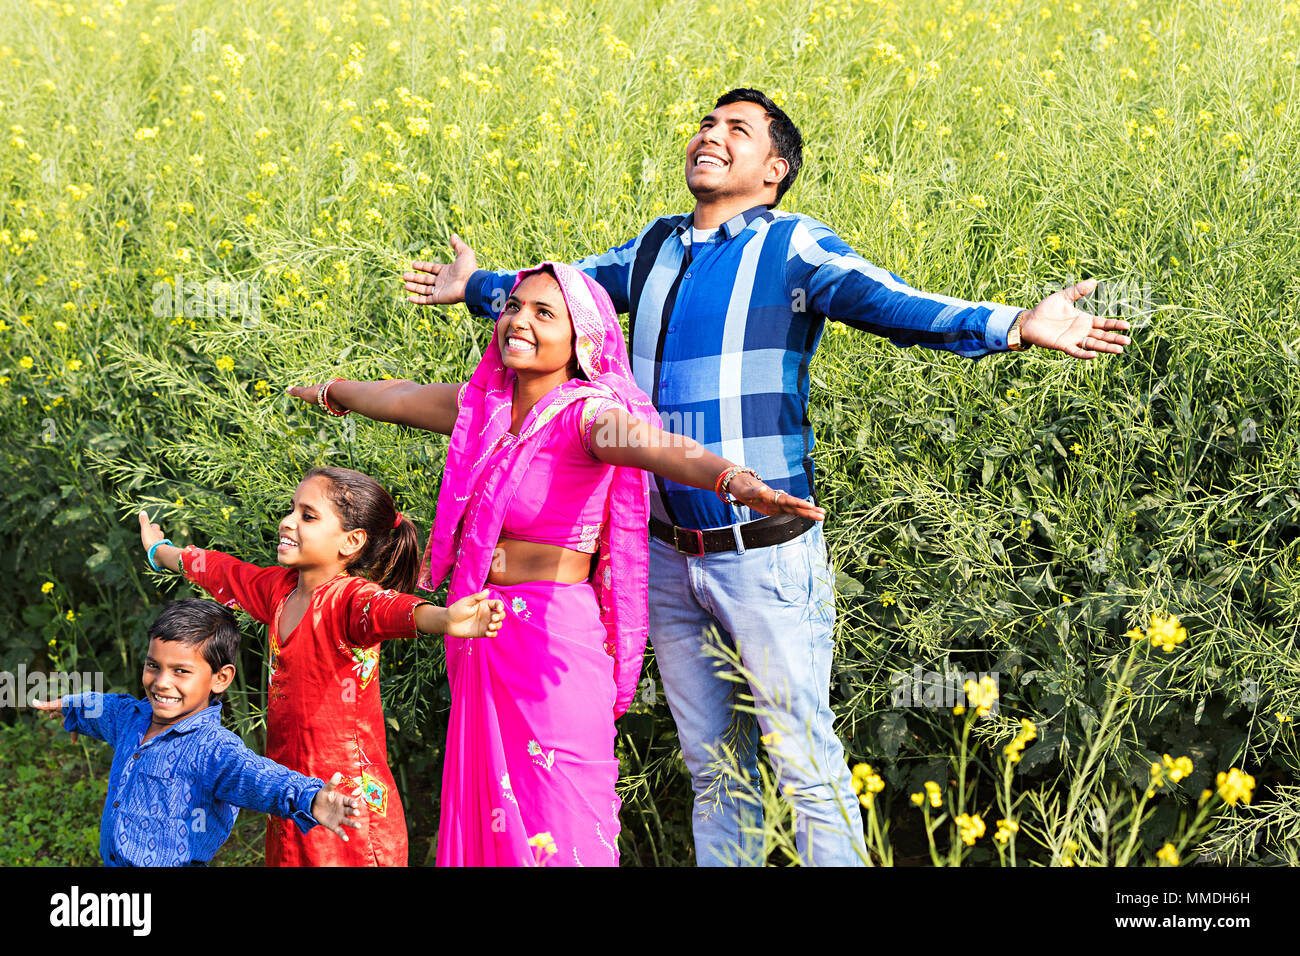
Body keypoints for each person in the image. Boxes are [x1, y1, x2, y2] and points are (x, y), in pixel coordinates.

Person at [401, 89, 1133, 865]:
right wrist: (475, 288)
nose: (710, 135)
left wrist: (1014, 324)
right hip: (666, 557)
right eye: (708, 123)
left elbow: (890, 302)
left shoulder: (792, 248)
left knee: (803, 762)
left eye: (737, 131)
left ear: (774, 170)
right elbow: (558, 294)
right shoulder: (652, 249)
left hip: (764, 551)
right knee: (716, 773)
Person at [288, 262, 819, 866]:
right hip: (480, 629)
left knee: (560, 813)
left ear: (583, 340)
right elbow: (402, 397)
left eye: (545, 313)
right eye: (514, 306)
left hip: (552, 644)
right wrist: (333, 392)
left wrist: (734, 481)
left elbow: (663, 449)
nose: (519, 320)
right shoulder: (483, 409)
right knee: (489, 814)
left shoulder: (586, 418)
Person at [136, 467, 504, 866]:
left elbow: (390, 610)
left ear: (351, 542)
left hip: (349, 809)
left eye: (307, 516)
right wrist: (161, 552)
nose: (287, 522)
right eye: (292, 509)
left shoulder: (349, 600)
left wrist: (445, 619)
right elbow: (224, 571)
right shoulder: (279, 591)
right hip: (295, 795)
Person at [32, 598, 364, 867]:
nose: (162, 682)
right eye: (153, 665)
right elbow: (103, 709)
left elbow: (259, 777)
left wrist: (310, 797)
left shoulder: (214, 750)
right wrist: (71, 707)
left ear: (220, 678)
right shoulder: (132, 718)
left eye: (181, 671)